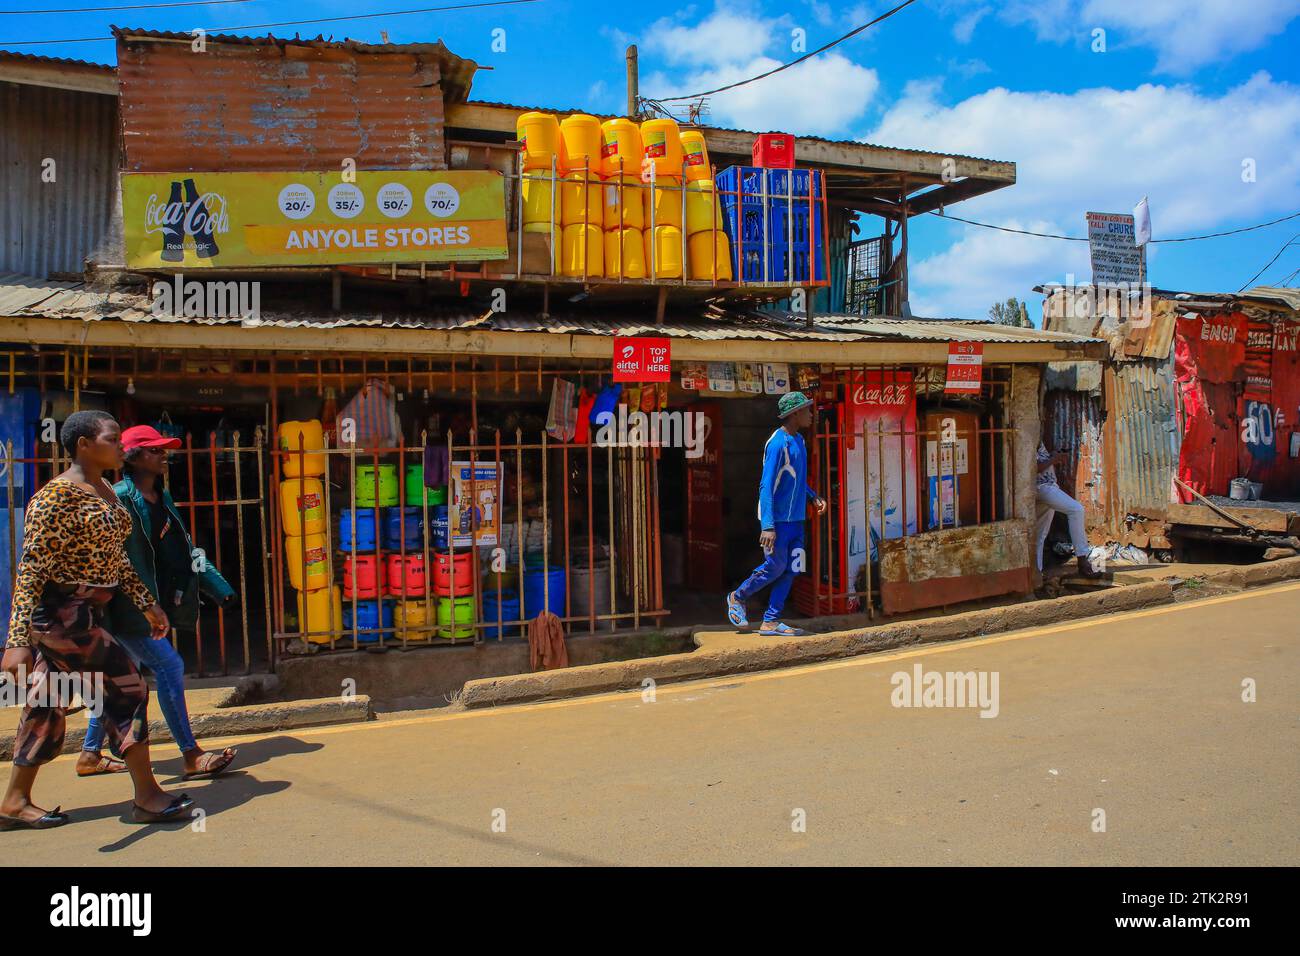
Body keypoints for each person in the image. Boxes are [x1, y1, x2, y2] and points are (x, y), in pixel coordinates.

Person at [1, 411, 195, 829]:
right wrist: (16, 639)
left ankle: (14, 801)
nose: (121, 446)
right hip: (60, 616)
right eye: (112, 438)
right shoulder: (56, 497)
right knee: (128, 688)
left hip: (87, 611)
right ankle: (146, 796)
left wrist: (148, 604)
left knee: (45, 704)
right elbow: (31, 567)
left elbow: (117, 560)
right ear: (84, 444)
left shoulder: (105, 489)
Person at [78, 424, 238, 781]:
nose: (164, 456)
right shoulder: (119, 497)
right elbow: (114, 560)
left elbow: (183, 547)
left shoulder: (161, 498)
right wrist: (146, 604)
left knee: (118, 679)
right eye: (155, 450)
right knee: (169, 667)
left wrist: (216, 585)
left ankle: (89, 754)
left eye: (165, 450)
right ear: (133, 457)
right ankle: (190, 753)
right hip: (126, 609)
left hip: (147, 604)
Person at [726, 392, 827, 636]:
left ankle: (771, 620)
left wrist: (813, 496)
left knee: (792, 567)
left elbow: (796, 478)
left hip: (796, 519)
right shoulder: (777, 444)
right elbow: (766, 486)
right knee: (775, 566)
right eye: (807, 410)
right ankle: (737, 597)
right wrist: (768, 526)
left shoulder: (800, 441)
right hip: (778, 521)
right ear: (795, 414)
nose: (811, 414)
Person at [1034, 441, 1099, 577]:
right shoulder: (1028, 440)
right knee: (1076, 510)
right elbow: (1033, 468)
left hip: (1046, 486)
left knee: (1040, 535)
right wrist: (1054, 459)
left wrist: (1052, 456)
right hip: (1042, 487)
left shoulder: (1038, 442)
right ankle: (1082, 559)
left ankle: (1037, 572)